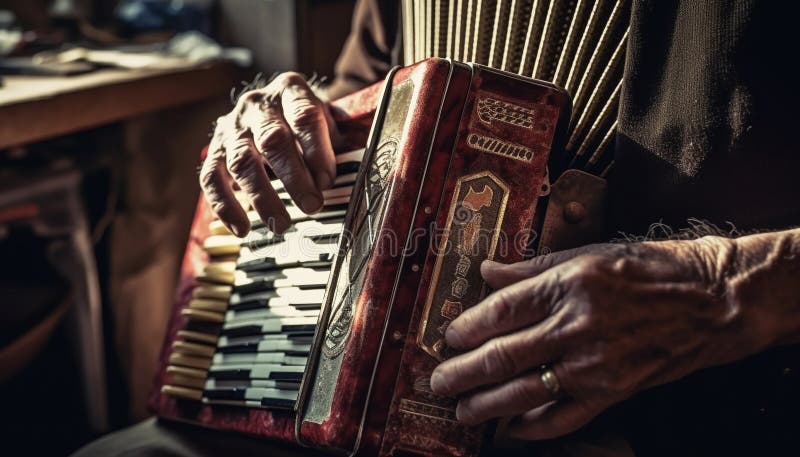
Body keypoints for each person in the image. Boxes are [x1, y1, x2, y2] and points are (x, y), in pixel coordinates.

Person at [74, 1, 800, 455]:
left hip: (698, 408)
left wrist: (725, 288)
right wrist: (289, 120)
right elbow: (369, 86)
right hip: (386, 411)